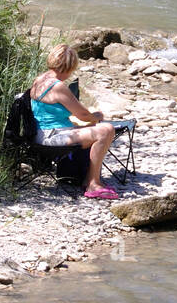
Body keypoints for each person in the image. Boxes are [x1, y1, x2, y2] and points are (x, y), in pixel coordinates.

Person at [30, 44, 118, 200]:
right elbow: (83, 114)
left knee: (95, 129)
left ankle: (83, 175)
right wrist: (97, 115)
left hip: (42, 132)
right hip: (50, 136)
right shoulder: (57, 86)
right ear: (70, 66)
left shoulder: (40, 79)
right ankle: (92, 183)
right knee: (106, 130)